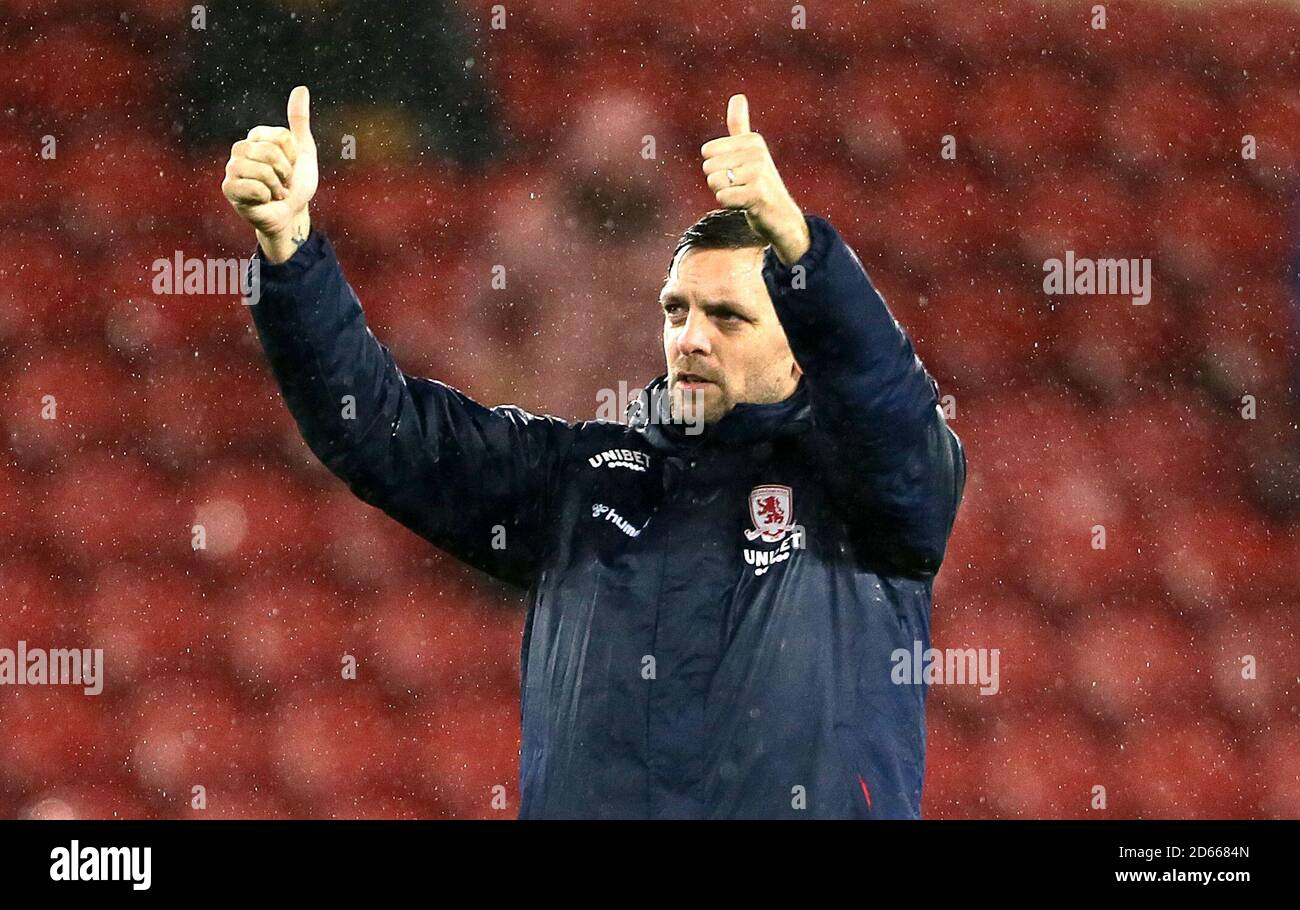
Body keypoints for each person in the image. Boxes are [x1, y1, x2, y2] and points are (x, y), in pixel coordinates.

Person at [222, 86, 968, 818]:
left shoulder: (867, 495)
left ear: (803, 347)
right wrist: (290, 253)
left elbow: (891, 411)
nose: (690, 337)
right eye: (677, 310)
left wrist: (804, 250)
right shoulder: (582, 481)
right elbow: (378, 428)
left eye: (729, 317)